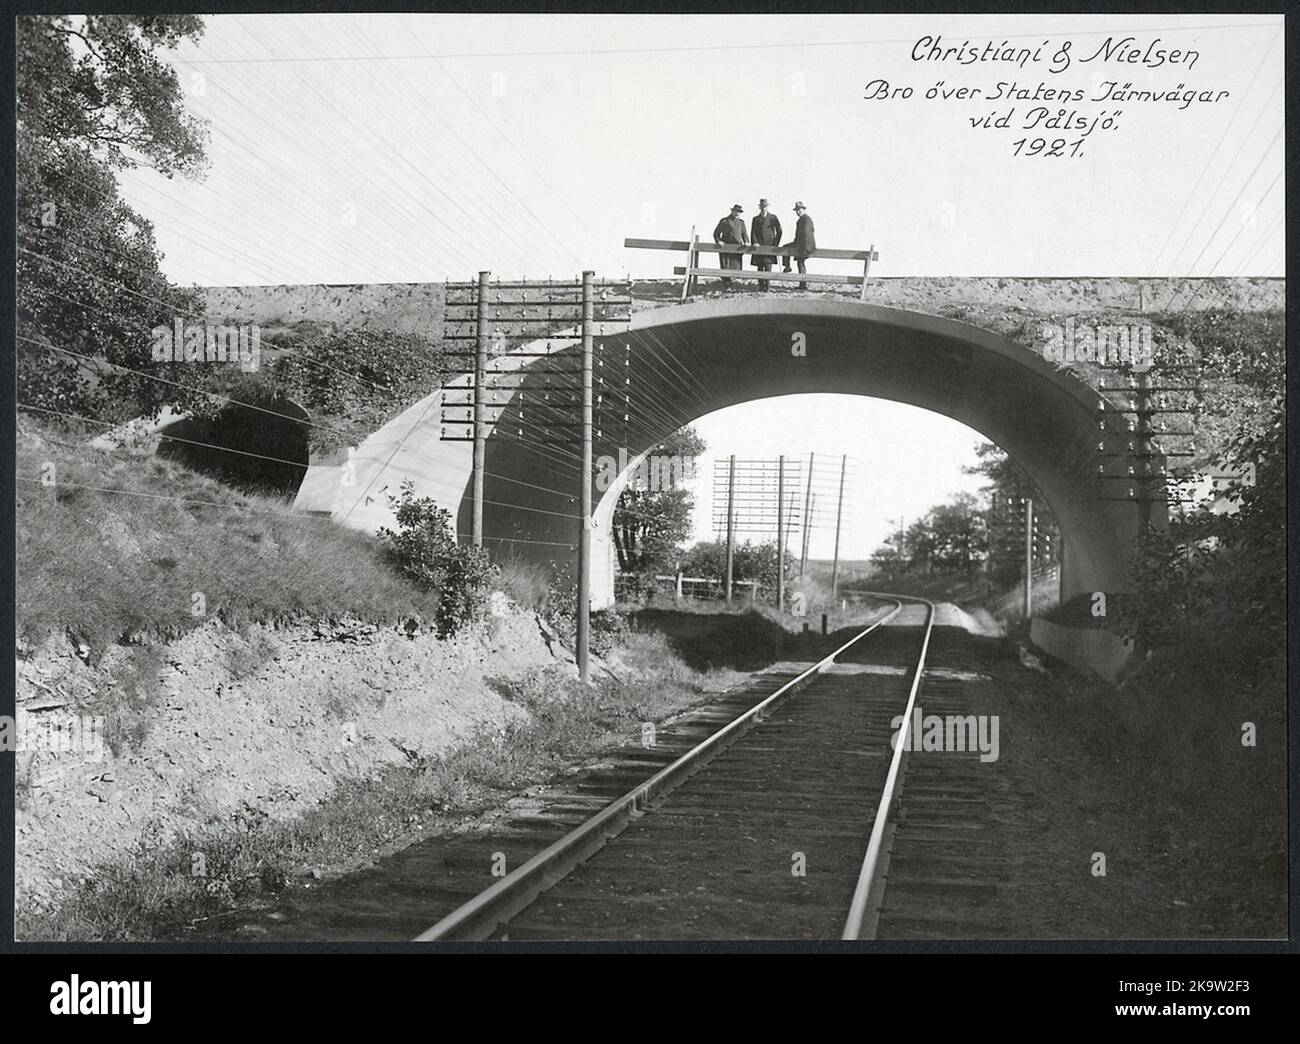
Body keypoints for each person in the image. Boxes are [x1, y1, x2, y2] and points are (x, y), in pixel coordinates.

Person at [782, 201, 817, 290]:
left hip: (805, 245)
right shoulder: (803, 219)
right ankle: (801, 282)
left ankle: (788, 267)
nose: (798, 212)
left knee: (800, 262)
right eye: (797, 210)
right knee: (800, 263)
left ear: (803, 209)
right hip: (802, 244)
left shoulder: (806, 219)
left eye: (799, 210)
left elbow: (806, 233)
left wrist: (798, 244)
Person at [713, 204, 748, 291]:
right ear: (732, 211)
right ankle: (726, 285)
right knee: (725, 266)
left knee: (736, 266)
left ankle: (735, 286)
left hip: (737, 248)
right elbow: (716, 233)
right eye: (736, 211)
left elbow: (744, 234)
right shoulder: (724, 221)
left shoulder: (741, 222)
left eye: (739, 212)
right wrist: (719, 241)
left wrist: (746, 242)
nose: (737, 214)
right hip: (726, 248)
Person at [750, 199, 782, 292]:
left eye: (765, 207)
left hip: (769, 245)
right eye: (762, 207)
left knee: (768, 266)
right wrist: (755, 242)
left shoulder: (773, 218)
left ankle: (767, 286)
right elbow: (753, 232)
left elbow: (779, 230)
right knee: (760, 266)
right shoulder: (755, 219)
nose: (764, 209)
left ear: (768, 207)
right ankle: (761, 286)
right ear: (760, 208)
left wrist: (775, 243)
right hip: (759, 246)